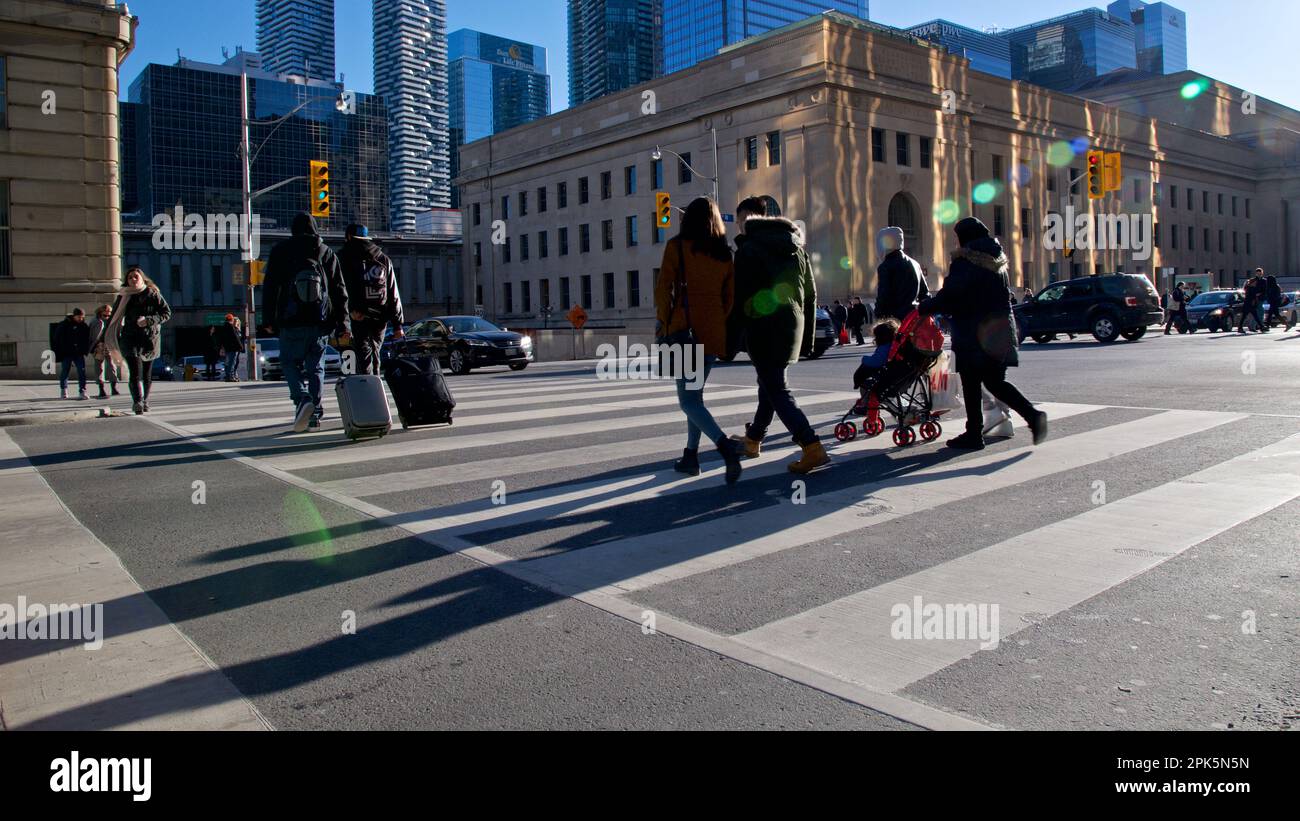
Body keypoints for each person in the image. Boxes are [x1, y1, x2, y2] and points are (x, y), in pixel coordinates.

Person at [918, 217, 1047, 450]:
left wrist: (925, 306)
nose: (956, 242)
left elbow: (952, 295)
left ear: (965, 237)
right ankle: (1032, 415)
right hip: (999, 332)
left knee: (971, 382)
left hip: (972, 332)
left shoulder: (965, 261)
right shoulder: (999, 263)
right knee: (996, 382)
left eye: (958, 237)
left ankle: (974, 434)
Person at [729, 195, 829, 473]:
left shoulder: (749, 249)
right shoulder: (796, 247)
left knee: (776, 389)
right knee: (769, 385)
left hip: (763, 327)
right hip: (792, 325)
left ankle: (812, 446)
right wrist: (808, 336)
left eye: (739, 221)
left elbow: (741, 299)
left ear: (747, 218)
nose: (738, 227)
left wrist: (730, 338)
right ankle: (753, 439)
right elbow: (811, 294)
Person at [655, 196, 742, 484]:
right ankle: (691, 457)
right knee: (696, 396)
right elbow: (730, 298)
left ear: (687, 219)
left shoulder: (677, 247)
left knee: (688, 402)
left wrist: (666, 322)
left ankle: (724, 446)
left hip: (684, 331)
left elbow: (663, 289)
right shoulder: (723, 253)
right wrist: (715, 319)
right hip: (712, 333)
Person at [261, 212, 351, 431]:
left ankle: (302, 399)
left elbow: (270, 287)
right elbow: (339, 290)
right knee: (315, 367)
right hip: (320, 321)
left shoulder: (281, 251)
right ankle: (315, 415)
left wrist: (269, 318)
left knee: (289, 362)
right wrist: (343, 322)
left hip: (290, 320)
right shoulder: (325, 252)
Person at [104, 266, 172, 415]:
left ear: (142, 279)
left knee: (146, 374)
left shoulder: (152, 294)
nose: (133, 279)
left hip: (149, 339)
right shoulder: (124, 295)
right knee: (135, 372)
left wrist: (149, 320)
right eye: (130, 277)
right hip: (130, 338)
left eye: (136, 277)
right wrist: (105, 337)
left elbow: (166, 313)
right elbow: (114, 316)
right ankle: (137, 401)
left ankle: (145, 400)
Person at [338, 223, 404, 375]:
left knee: (362, 355)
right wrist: (397, 325)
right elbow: (393, 292)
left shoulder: (343, 257)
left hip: (356, 315)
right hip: (380, 317)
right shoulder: (383, 259)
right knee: (374, 352)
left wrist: (347, 315)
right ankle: (374, 383)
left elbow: (340, 289)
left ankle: (368, 389)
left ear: (348, 237)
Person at [873, 226, 929, 322]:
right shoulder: (915, 264)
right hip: (914, 318)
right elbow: (925, 294)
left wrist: (878, 314)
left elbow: (883, 295)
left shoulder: (885, 266)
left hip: (894, 320)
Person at [53, 308, 91, 400]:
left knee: (81, 371)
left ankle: (82, 391)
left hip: (78, 353)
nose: (80, 319)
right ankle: (64, 390)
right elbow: (57, 338)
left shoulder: (83, 326)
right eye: (79, 317)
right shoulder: (64, 324)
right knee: (65, 371)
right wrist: (60, 351)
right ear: (74, 316)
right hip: (67, 352)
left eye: (82, 317)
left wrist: (84, 350)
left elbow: (87, 339)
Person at [852, 319, 899, 391]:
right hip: (895, 373)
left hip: (887, 376)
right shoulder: (894, 345)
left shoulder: (885, 348)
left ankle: (866, 400)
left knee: (864, 379)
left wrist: (864, 359)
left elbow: (877, 361)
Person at [87, 304, 121, 398]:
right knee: (99, 367)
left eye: (109, 315)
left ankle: (113, 387)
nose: (107, 317)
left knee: (112, 366)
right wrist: (92, 347)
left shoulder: (112, 320)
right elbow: (91, 335)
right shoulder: (96, 321)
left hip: (110, 345)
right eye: (105, 315)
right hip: (99, 346)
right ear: (100, 313)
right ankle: (101, 389)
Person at [216, 313, 245, 381]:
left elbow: (221, 338)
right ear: (231, 320)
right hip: (233, 347)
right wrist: (240, 346)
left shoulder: (223, 327)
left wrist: (221, 347)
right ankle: (230, 376)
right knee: (232, 362)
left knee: (228, 362)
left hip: (227, 348)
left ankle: (228, 376)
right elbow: (235, 338)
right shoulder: (231, 327)